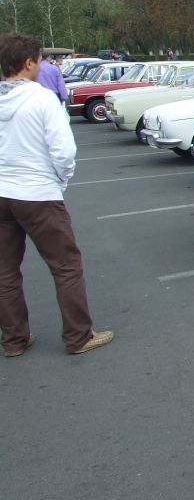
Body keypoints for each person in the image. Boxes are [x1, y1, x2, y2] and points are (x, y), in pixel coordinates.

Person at [0, 33, 113, 357]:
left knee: (5, 270)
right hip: (37, 192)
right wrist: (59, 181)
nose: (42, 66)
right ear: (28, 63)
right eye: (39, 60)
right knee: (66, 265)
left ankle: (14, 340)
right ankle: (78, 336)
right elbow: (63, 151)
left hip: (2, 193)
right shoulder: (42, 98)